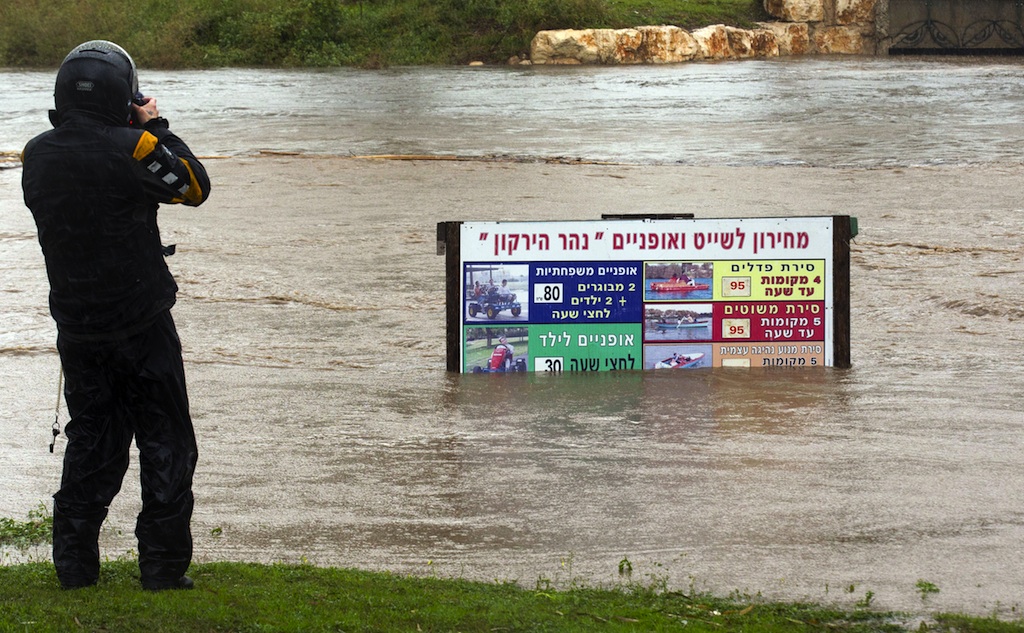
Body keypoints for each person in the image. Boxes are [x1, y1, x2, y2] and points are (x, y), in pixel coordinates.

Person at [21, 41, 211, 591]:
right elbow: (194, 186)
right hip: (143, 321)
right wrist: (158, 125)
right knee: (166, 442)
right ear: (121, 97)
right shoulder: (137, 146)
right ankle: (162, 569)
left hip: (77, 328)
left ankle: (75, 569)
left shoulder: (37, 152)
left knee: (92, 443)